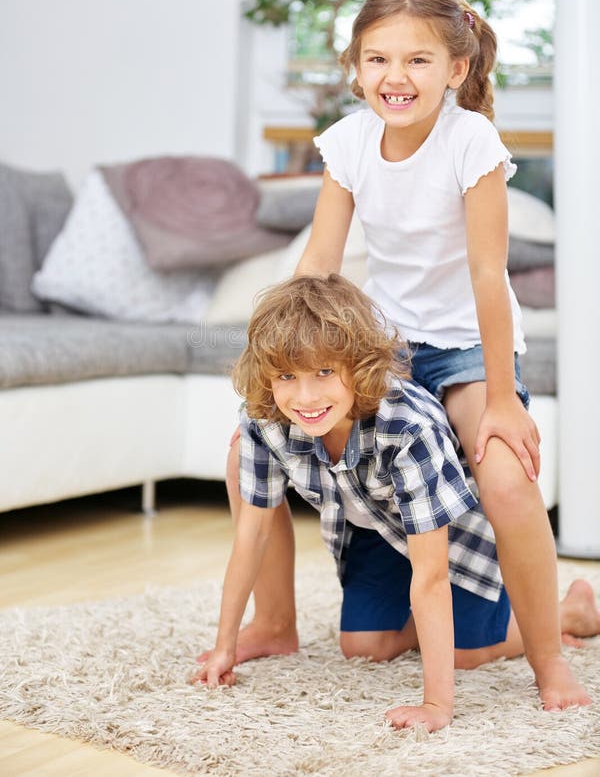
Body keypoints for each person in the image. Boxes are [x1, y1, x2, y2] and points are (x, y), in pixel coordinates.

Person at [215, 0, 591, 712]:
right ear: (356, 67)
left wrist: (505, 402)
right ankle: (276, 622)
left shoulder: (470, 140)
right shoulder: (350, 141)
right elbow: (320, 262)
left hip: (468, 346)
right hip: (383, 345)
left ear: (455, 69)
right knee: (242, 454)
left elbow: (488, 273)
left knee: (506, 476)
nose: (396, 76)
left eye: (418, 60)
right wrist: (279, 360)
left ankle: (554, 656)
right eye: (377, 58)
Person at [193, 276, 599, 731]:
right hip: (377, 530)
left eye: (324, 372)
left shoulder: (408, 427)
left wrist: (436, 705)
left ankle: (568, 611)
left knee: (466, 652)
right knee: (364, 645)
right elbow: (251, 537)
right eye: (287, 376)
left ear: (357, 366)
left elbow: (431, 576)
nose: (305, 398)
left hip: (451, 538)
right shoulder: (264, 418)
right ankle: (435, 626)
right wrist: (224, 644)